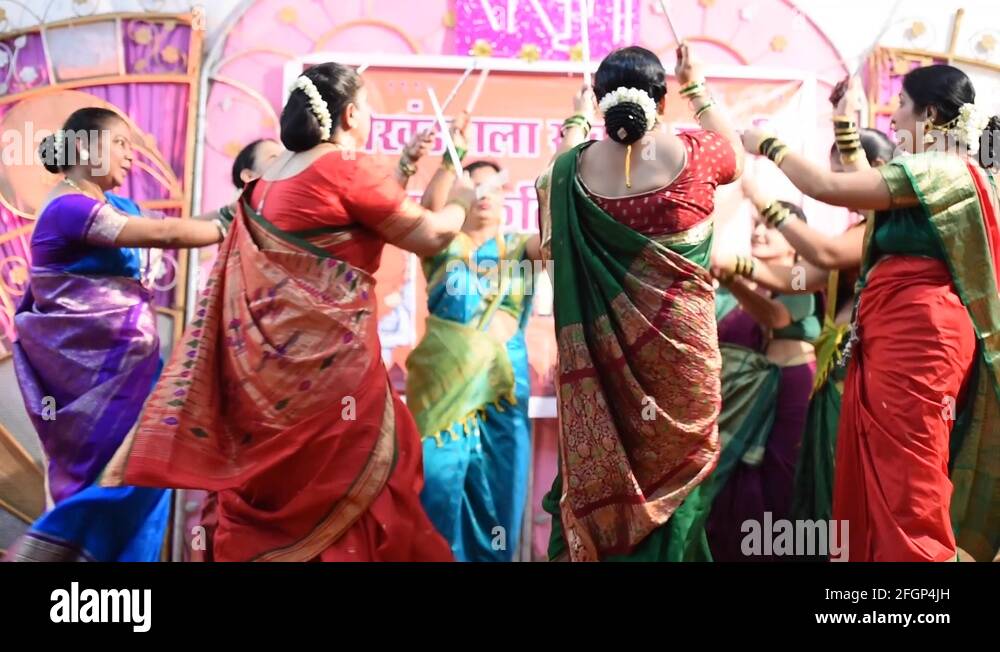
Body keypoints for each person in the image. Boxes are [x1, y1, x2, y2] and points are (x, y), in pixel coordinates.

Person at [105, 62, 491, 561]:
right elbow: (431, 234)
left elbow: (347, 219)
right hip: (335, 388)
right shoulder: (343, 168)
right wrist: (459, 202)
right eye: (368, 107)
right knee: (357, 495)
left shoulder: (266, 183)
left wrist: (434, 160)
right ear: (351, 113)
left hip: (267, 393)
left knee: (279, 497)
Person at [740, 63, 1000, 561]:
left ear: (928, 113)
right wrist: (844, 121)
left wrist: (767, 147)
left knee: (908, 483)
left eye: (901, 106)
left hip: (920, 340)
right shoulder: (930, 178)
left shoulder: (942, 168)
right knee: (885, 476)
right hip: (896, 337)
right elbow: (856, 187)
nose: (894, 118)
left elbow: (829, 191)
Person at [537, 44, 743, 561]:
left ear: (601, 103)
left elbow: (549, 190)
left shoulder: (571, 172)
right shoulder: (697, 154)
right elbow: (735, 151)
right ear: (663, 99)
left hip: (601, 367)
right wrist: (697, 85)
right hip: (682, 361)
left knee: (602, 461)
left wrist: (575, 118)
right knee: (680, 478)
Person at [9, 107, 228, 561]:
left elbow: (168, 228)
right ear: (86, 148)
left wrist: (236, 212)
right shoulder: (69, 208)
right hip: (98, 393)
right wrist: (226, 227)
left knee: (143, 482)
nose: (132, 155)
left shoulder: (114, 210)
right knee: (117, 484)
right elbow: (166, 233)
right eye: (122, 144)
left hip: (133, 380)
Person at [406, 106, 544, 560]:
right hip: (443, 387)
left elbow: (557, 242)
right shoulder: (442, 245)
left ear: (507, 198)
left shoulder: (520, 246)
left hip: (503, 387)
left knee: (499, 493)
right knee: (439, 485)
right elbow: (429, 209)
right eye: (474, 186)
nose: (484, 195)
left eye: (492, 187)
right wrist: (452, 156)